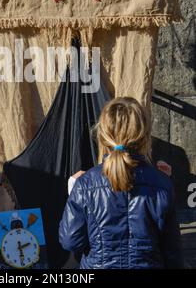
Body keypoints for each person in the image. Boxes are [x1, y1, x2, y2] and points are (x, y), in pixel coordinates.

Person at [59, 97, 183, 269]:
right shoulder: (162, 184)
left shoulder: (85, 185)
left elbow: (70, 241)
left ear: (102, 134)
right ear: (145, 136)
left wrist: (73, 189)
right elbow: (172, 252)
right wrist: (162, 183)